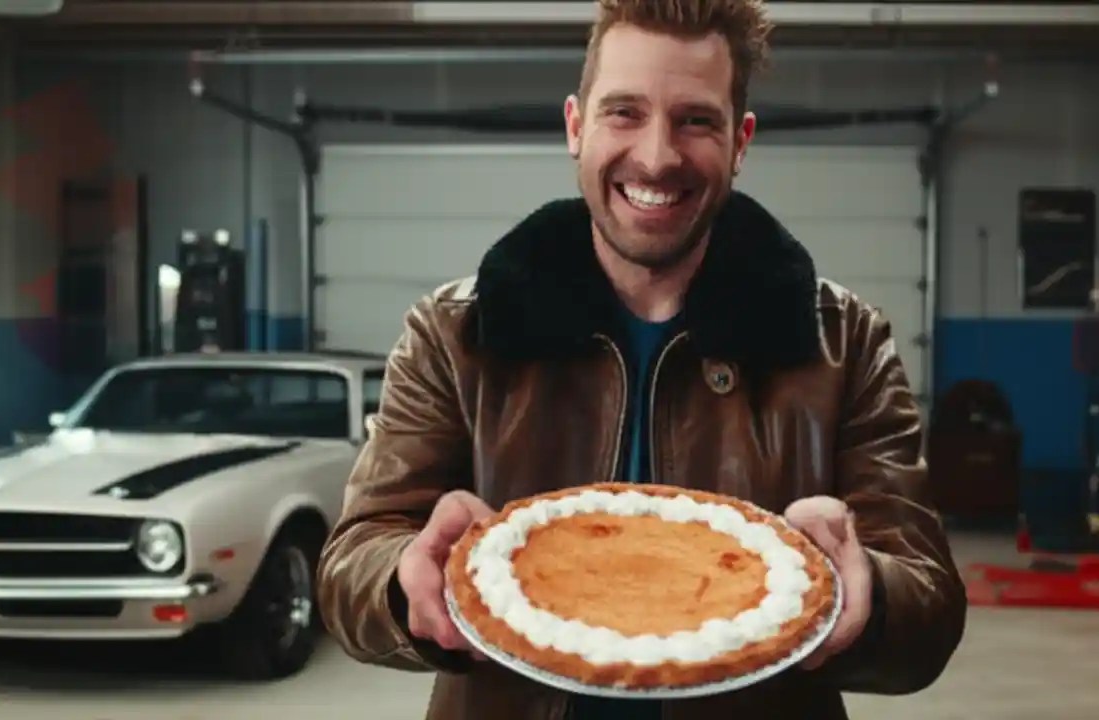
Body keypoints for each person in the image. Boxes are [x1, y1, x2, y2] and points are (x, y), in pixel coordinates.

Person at [315, 0, 967, 718]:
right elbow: (353, 561)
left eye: (695, 119)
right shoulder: (455, 334)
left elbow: (929, 610)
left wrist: (868, 590)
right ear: (576, 125)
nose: (656, 156)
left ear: (741, 140)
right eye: (624, 112)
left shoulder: (846, 346)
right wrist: (402, 579)